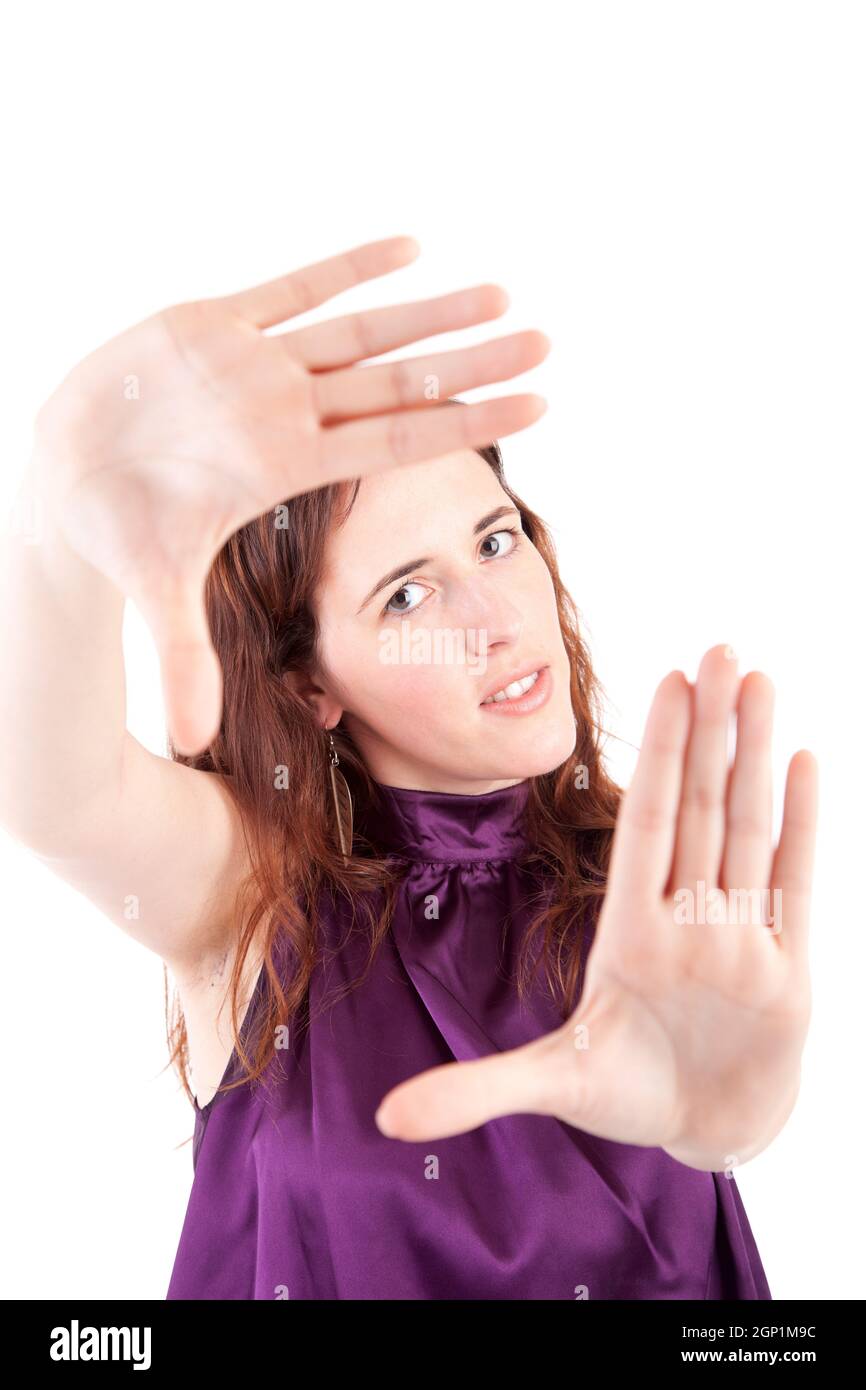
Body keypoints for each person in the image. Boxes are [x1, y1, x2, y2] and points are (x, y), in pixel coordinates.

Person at [0, 235, 817, 1300]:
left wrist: (742, 1120)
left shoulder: (647, 881)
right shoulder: (255, 895)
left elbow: (721, 1180)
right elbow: (53, 789)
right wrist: (60, 526)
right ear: (308, 688)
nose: (492, 617)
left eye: (491, 541)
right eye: (406, 594)